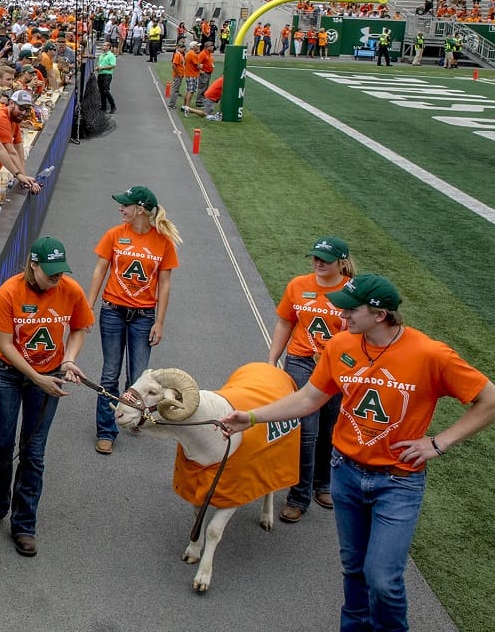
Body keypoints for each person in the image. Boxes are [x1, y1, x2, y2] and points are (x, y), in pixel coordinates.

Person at [219, 274, 495, 632]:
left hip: (398, 482)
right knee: (353, 568)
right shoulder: (340, 345)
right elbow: (308, 398)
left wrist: (438, 443)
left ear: (380, 315)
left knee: (382, 579)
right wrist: (252, 417)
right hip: (346, 473)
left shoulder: (430, 354)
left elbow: (489, 399)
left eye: (351, 309)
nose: (342, 315)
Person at [0, 236, 93, 557]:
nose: (57, 278)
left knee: (34, 451)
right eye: (51, 273)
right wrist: (37, 377)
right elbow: (5, 344)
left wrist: (69, 359)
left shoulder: (70, 290)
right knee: (1, 444)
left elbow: (79, 328)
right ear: (33, 265)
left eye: (61, 272)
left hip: (50, 373)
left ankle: (24, 523)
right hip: (7, 373)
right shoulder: (9, 292)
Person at [266, 236, 353, 524]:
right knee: (306, 431)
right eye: (315, 258)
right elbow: (285, 321)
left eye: (325, 260)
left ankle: (322, 484)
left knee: (330, 429)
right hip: (301, 362)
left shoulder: (351, 291)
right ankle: (298, 496)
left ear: (341, 262)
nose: (318, 263)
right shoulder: (298, 285)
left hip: (338, 367)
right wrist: (272, 359)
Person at [91, 185, 183, 454]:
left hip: (143, 316)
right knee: (110, 373)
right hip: (112, 311)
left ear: (140, 209)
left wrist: (160, 322)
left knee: (138, 375)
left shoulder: (163, 242)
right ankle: (106, 430)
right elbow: (100, 270)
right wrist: (88, 306)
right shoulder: (114, 234)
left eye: (125, 205)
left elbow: (165, 284)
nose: (121, 208)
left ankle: (131, 415)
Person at [95, 40, 117, 113]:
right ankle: (103, 107)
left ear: (108, 47)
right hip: (100, 74)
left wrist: (103, 67)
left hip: (107, 75)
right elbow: (100, 64)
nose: (103, 46)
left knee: (105, 91)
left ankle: (113, 106)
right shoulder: (102, 55)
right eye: (103, 45)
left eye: (104, 45)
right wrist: (98, 67)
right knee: (101, 91)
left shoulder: (111, 55)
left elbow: (113, 65)